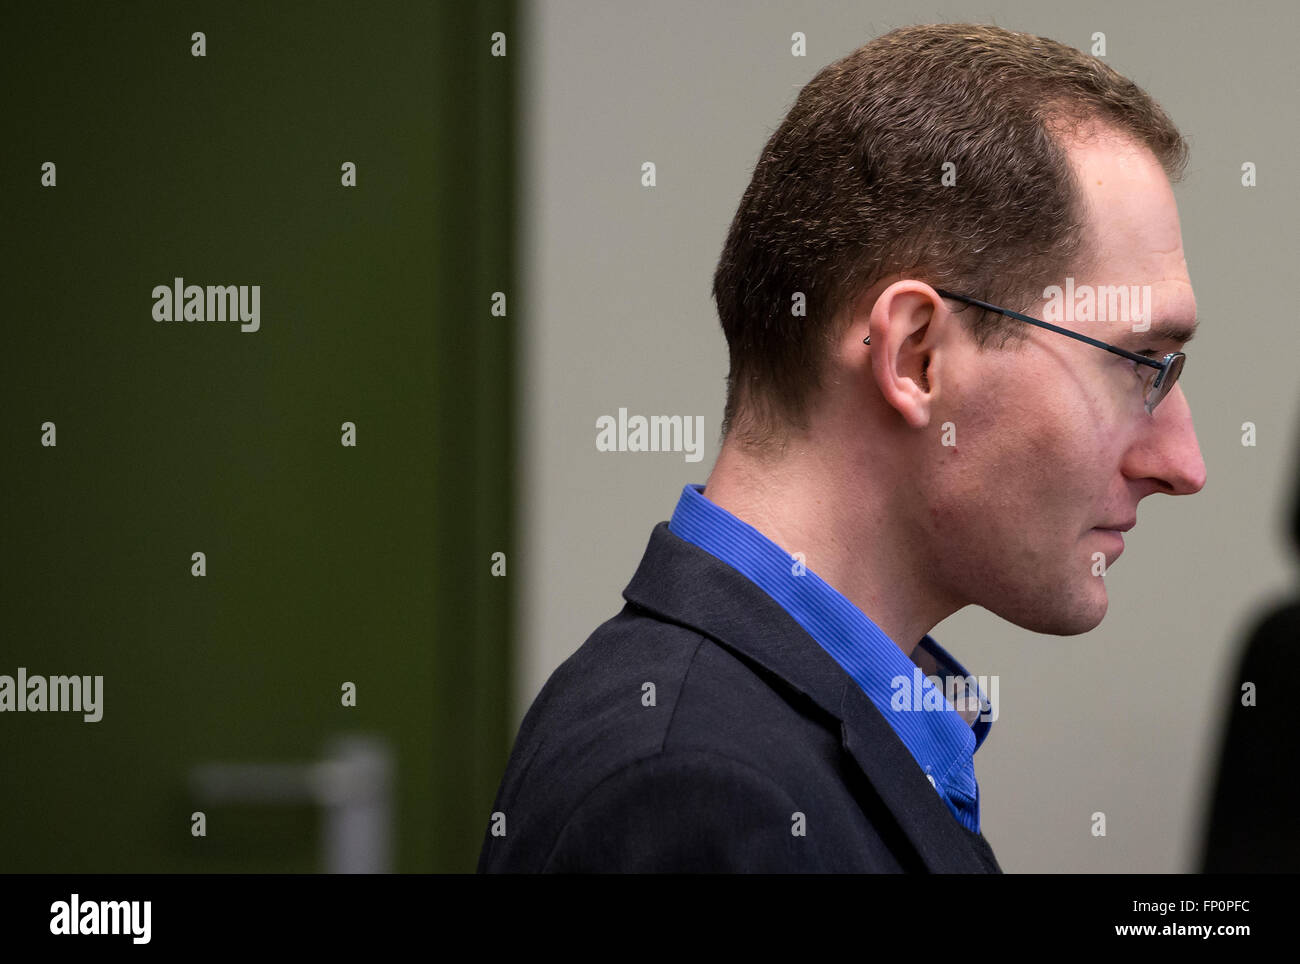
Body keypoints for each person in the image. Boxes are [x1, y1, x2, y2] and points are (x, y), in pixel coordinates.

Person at [479, 22, 1206, 873]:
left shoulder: (806, 729)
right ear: (915, 356)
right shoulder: (696, 797)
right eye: (1139, 365)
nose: (1184, 464)